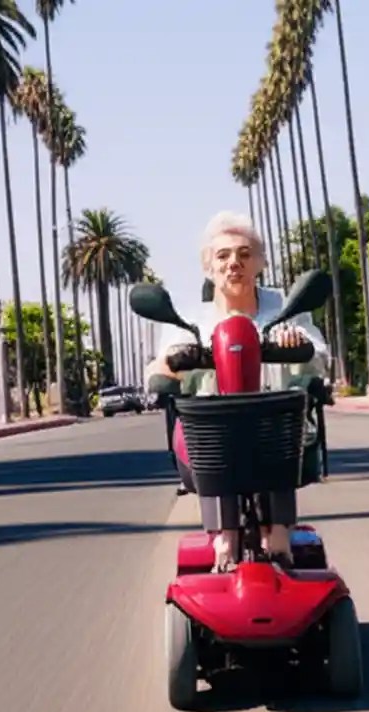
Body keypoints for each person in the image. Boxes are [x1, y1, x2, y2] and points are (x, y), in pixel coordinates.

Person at [145, 210, 330, 571]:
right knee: (214, 441)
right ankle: (224, 539)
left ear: (260, 263)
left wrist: (297, 344)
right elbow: (158, 366)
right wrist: (171, 362)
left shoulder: (285, 306)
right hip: (211, 432)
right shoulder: (188, 319)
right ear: (208, 267)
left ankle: (279, 538)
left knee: (278, 432)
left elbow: (319, 353)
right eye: (223, 256)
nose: (234, 264)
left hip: (276, 427)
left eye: (245, 255)